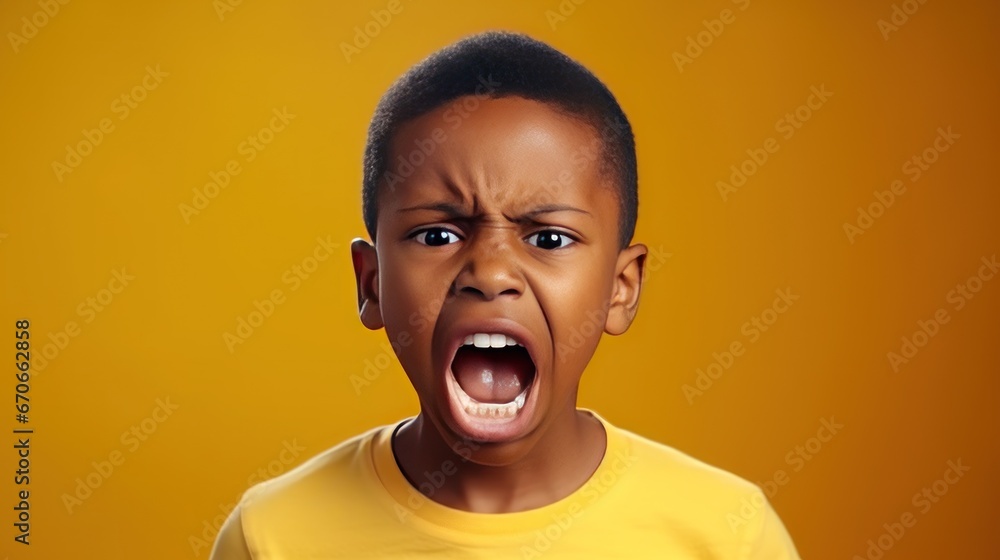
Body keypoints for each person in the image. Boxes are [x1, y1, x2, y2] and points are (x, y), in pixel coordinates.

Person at [210, 31, 801, 559]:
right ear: (371, 283)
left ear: (621, 289)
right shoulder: (272, 537)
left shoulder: (726, 537)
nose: (490, 274)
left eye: (548, 237)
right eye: (437, 235)